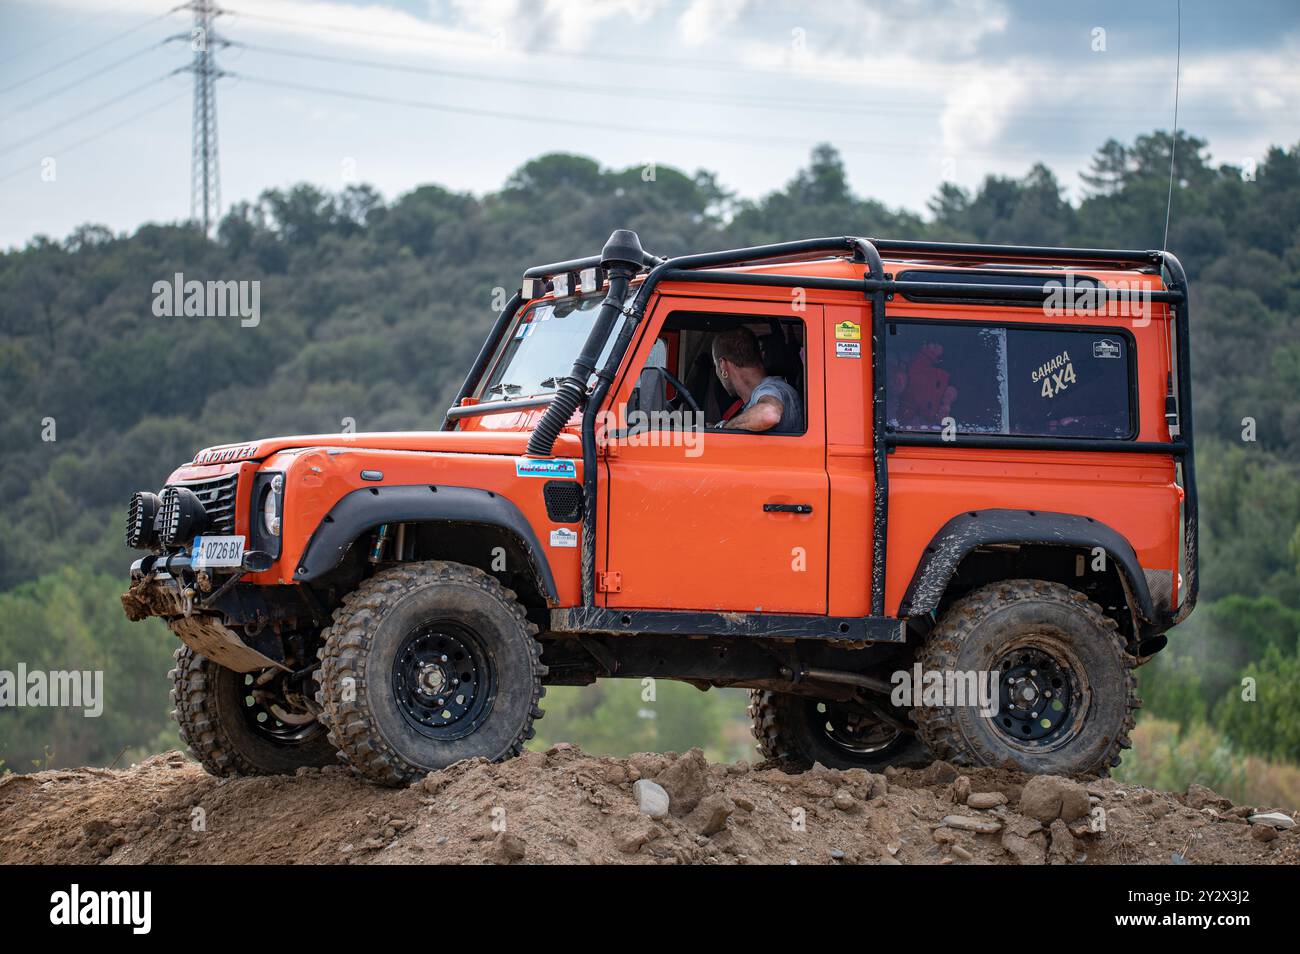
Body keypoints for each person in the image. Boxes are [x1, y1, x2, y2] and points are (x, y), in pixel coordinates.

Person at [711, 327, 803, 434]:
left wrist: (725, 428)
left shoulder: (772, 388)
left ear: (723, 366)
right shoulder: (766, 392)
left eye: (715, 365)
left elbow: (769, 414)